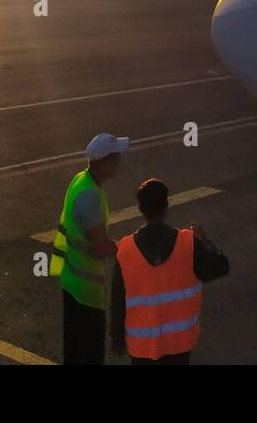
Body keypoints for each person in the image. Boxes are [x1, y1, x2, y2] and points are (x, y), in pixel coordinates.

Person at [110, 177, 229, 364]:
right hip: (179, 344)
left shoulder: (125, 249)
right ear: (166, 206)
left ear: (140, 209)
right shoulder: (188, 243)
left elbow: (118, 298)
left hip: (142, 346)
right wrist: (204, 239)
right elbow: (221, 266)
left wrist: (116, 338)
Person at [51, 132, 128, 365]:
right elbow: (100, 249)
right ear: (104, 162)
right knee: (89, 355)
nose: (119, 162)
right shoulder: (91, 196)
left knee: (74, 352)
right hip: (87, 292)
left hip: (71, 279)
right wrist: (127, 246)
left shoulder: (80, 180)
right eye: (115, 158)